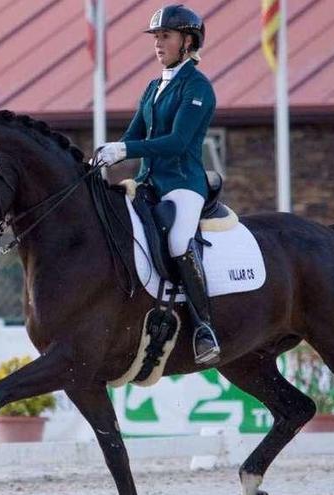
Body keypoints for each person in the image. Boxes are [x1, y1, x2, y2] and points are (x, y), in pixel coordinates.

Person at [96, 5, 219, 365]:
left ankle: (203, 326)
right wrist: (108, 154)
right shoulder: (153, 87)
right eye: (156, 38)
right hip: (149, 183)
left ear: (188, 41)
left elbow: (178, 142)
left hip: (183, 183)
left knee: (179, 240)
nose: (158, 44)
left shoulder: (198, 87)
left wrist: (126, 149)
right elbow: (134, 134)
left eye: (165, 36)